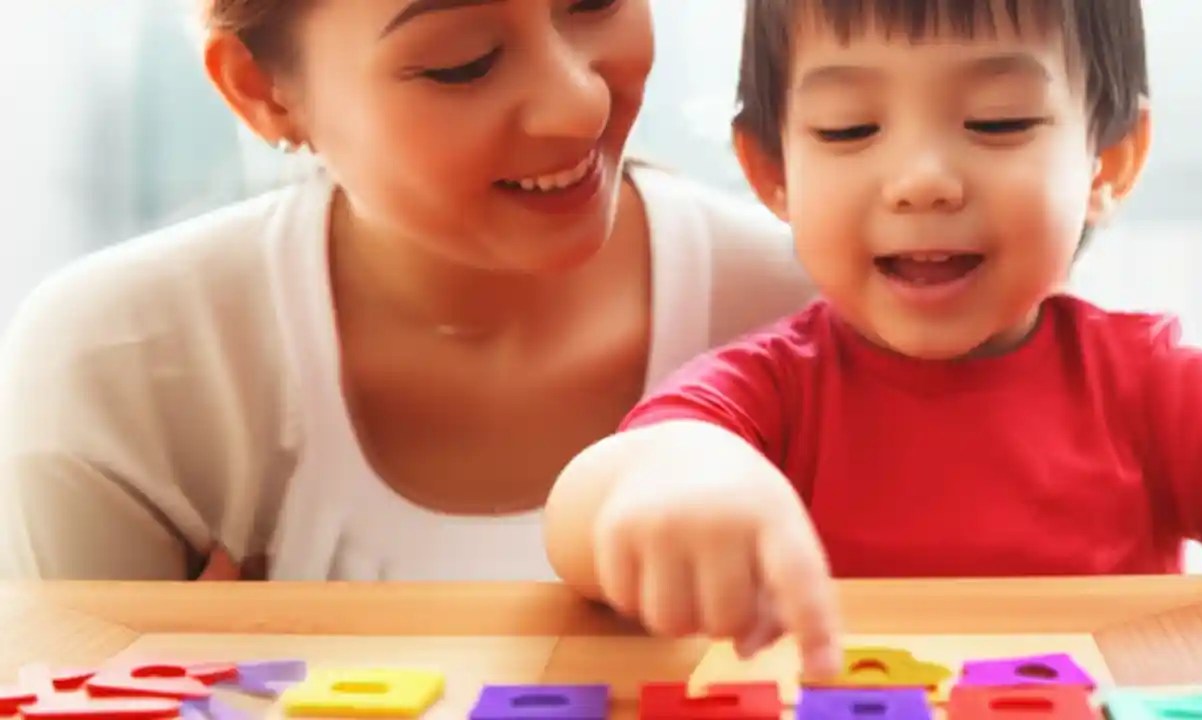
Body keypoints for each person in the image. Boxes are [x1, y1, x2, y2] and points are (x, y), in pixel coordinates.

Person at [543, 0, 1202, 680]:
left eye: (998, 121)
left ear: (1108, 161)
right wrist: (676, 481)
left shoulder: (1150, 386)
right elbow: (588, 507)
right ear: (773, 173)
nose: (922, 181)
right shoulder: (769, 391)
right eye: (849, 128)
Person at [0, 0, 817, 581]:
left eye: (595, 1)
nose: (580, 102)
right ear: (261, 89)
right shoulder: (122, 368)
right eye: (462, 61)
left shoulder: (818, 308)